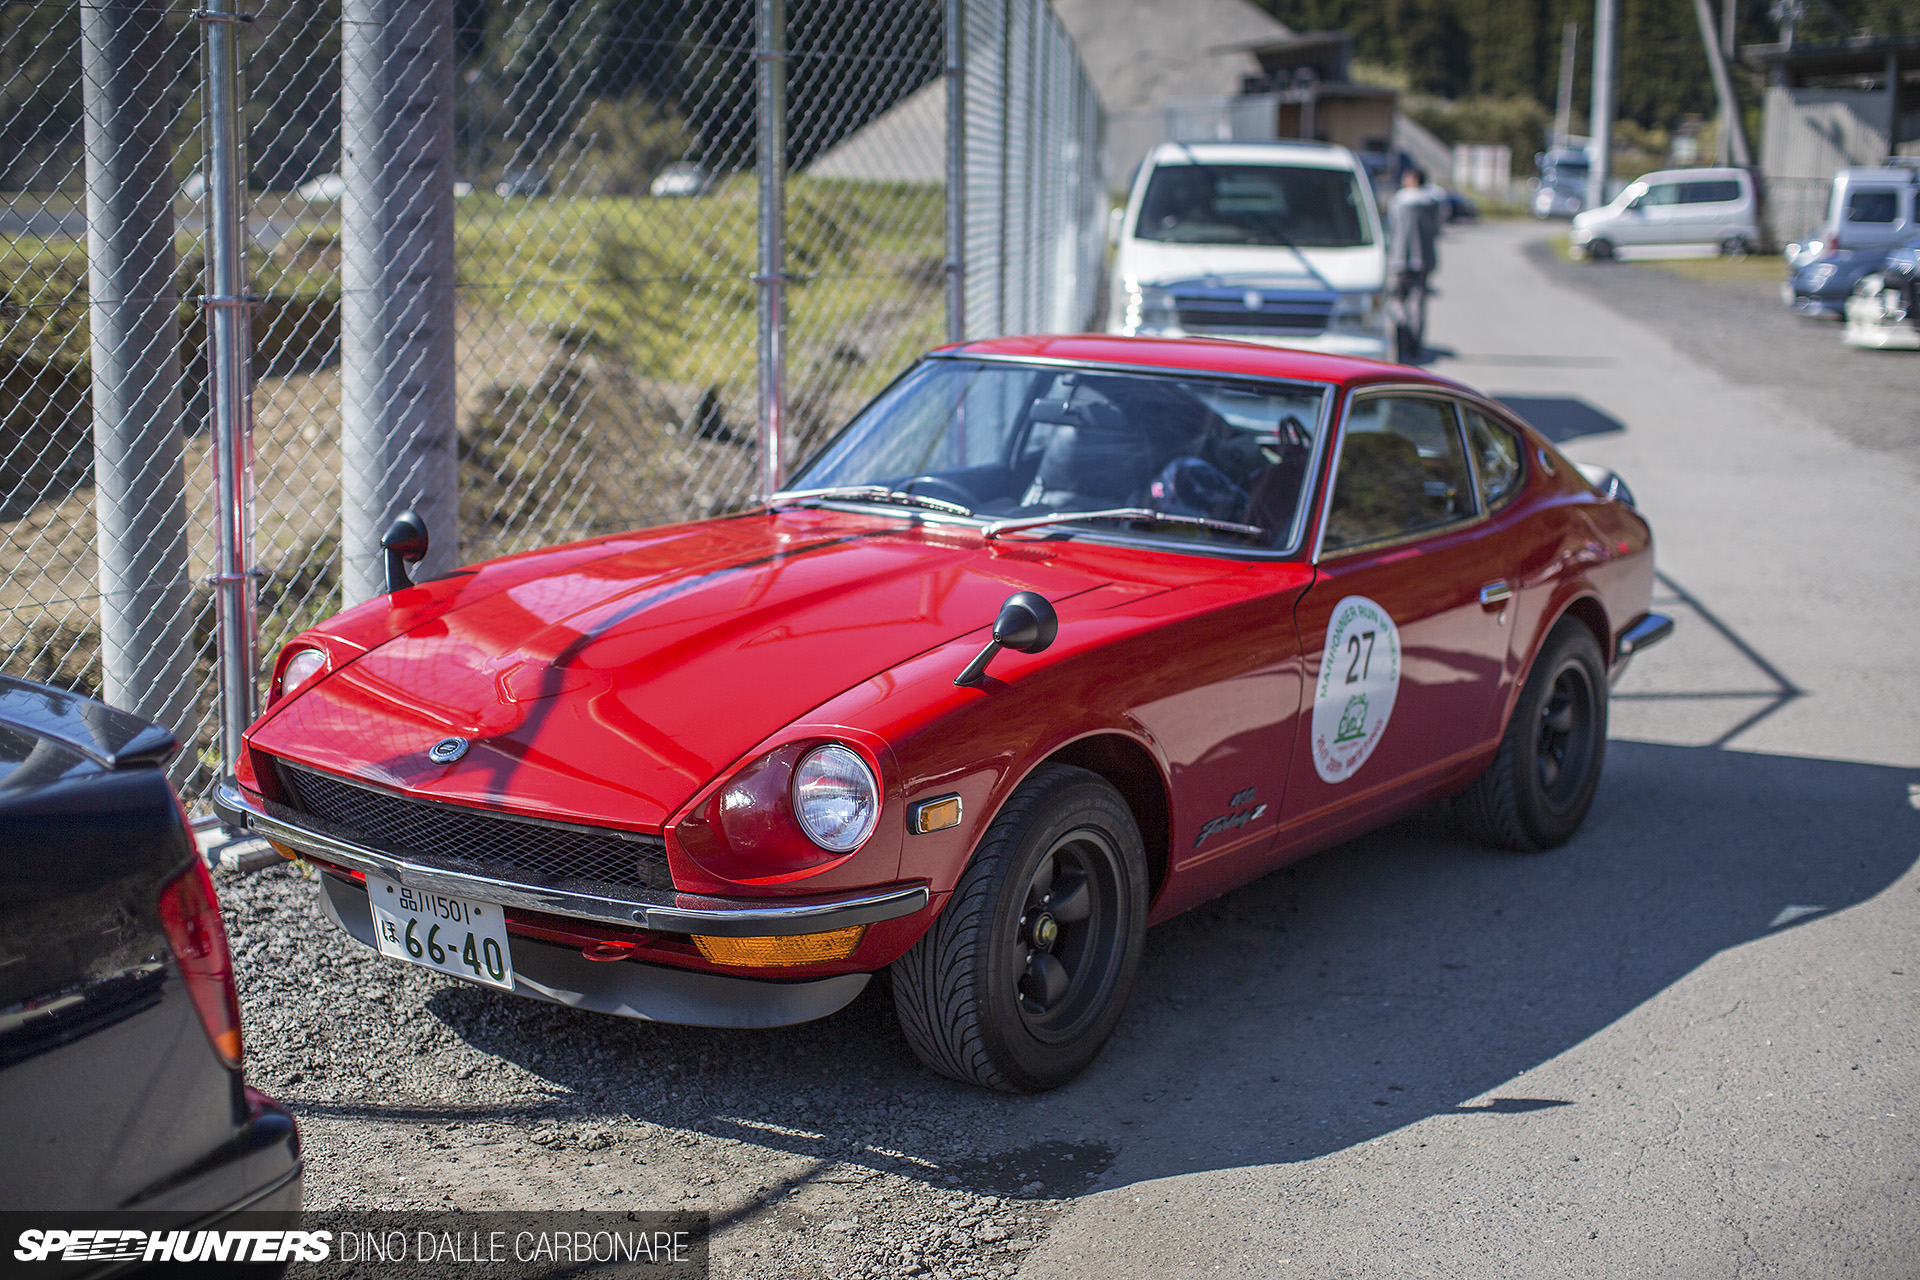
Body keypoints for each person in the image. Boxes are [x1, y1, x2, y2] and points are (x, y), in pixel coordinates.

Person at [1385, 166, 1440, 363]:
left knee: (1397, 299)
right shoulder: (1431, 203)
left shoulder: (1398, 202)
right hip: (1423, 258)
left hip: (1399, 257)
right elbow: (1436, 229)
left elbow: (1390, 228)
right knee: (1417, 302)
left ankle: (1401, 336)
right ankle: (1415, 341)